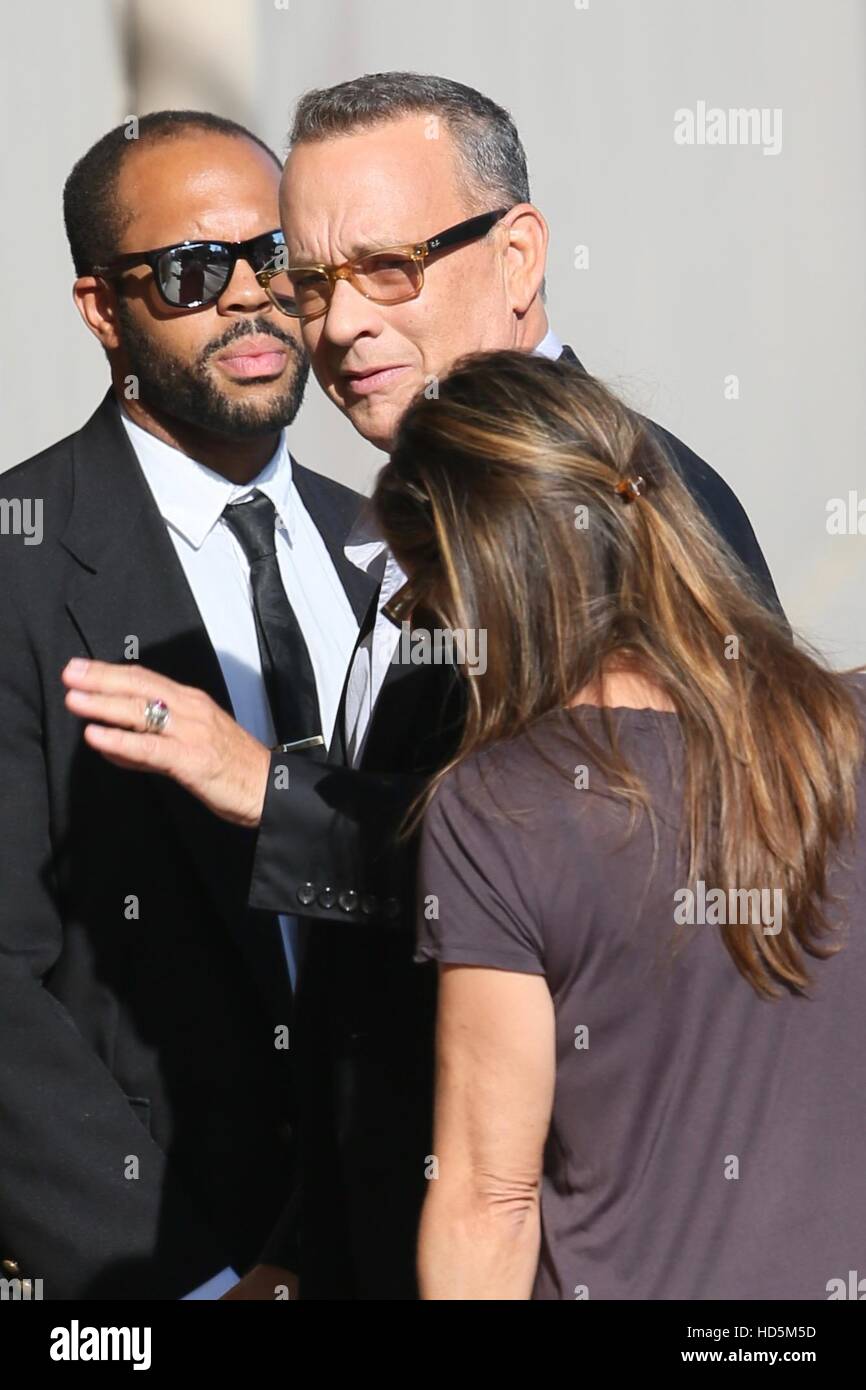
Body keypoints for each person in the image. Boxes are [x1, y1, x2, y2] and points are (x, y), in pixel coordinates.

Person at [63, 73, 784, 1299]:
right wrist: (312, 1239)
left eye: (389, 266)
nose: (335, 325)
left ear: (517, 257)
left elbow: (632, 879)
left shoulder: (625, 509)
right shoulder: (408, 515)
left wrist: (273, 794)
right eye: (312, 279)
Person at [371, 349, 865, 1300]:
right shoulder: (846, 737)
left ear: (485, 582)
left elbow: (489, 1199)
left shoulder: (500, 808)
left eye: (421, 598)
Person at [0, 110, 368, 1299]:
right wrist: (190, 1286)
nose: (251, 298)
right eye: (191, 272)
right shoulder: (23, 564)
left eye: (276, 259)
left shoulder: (398, 546)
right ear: (103, 309)